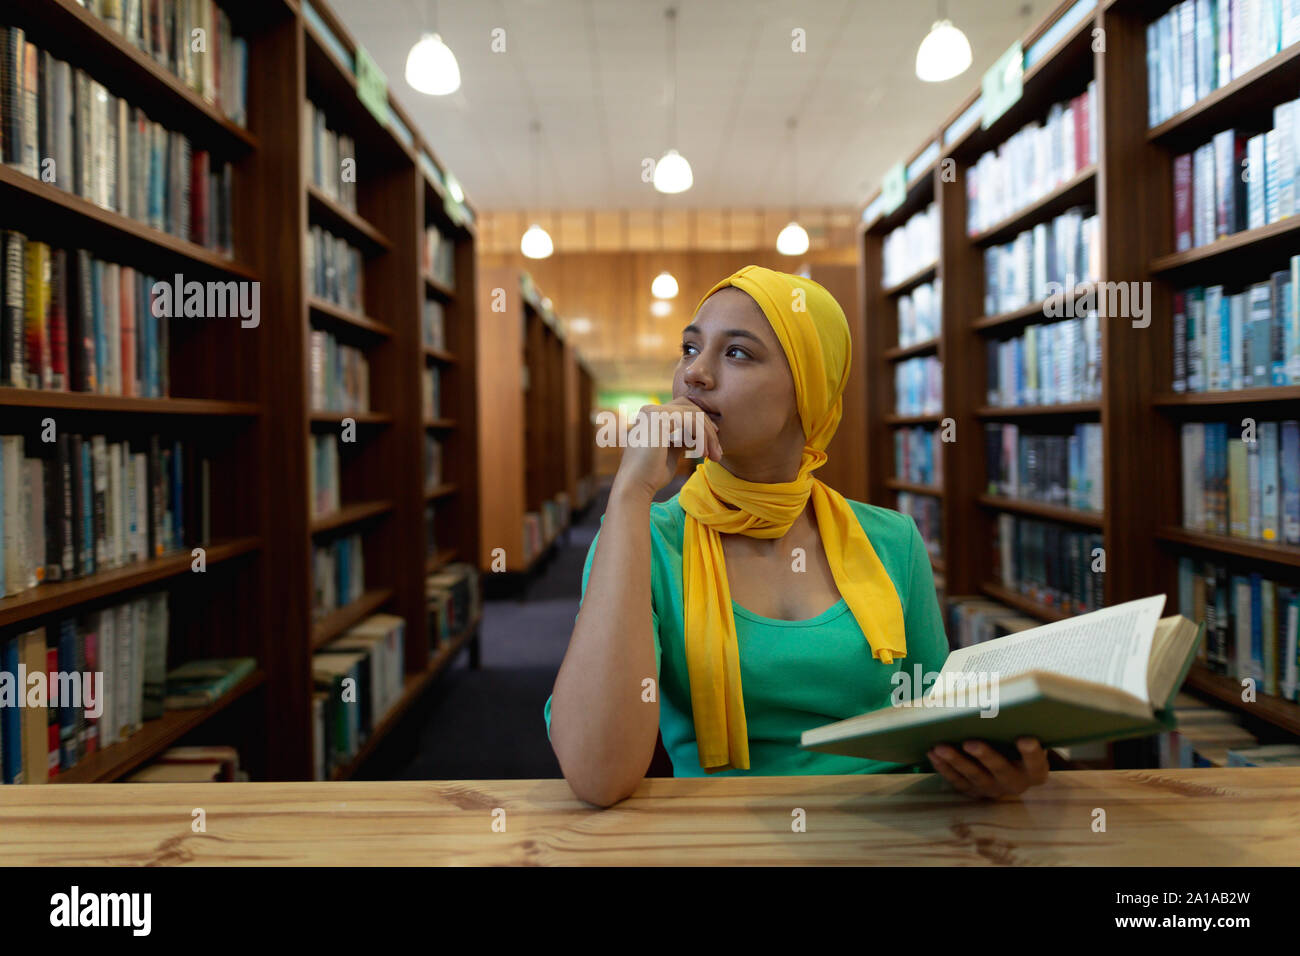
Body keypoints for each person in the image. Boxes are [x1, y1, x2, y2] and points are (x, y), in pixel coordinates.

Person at [545, 265, 1049, 807]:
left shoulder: (892, 540)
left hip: (887, 836)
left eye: (737, 353)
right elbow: (598, 775)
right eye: (690, 349)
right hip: (721, 841)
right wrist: (627, 495)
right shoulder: (644, 536)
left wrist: (991, 770)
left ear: (808, 390)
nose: (695, 374)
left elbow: (934, 726)